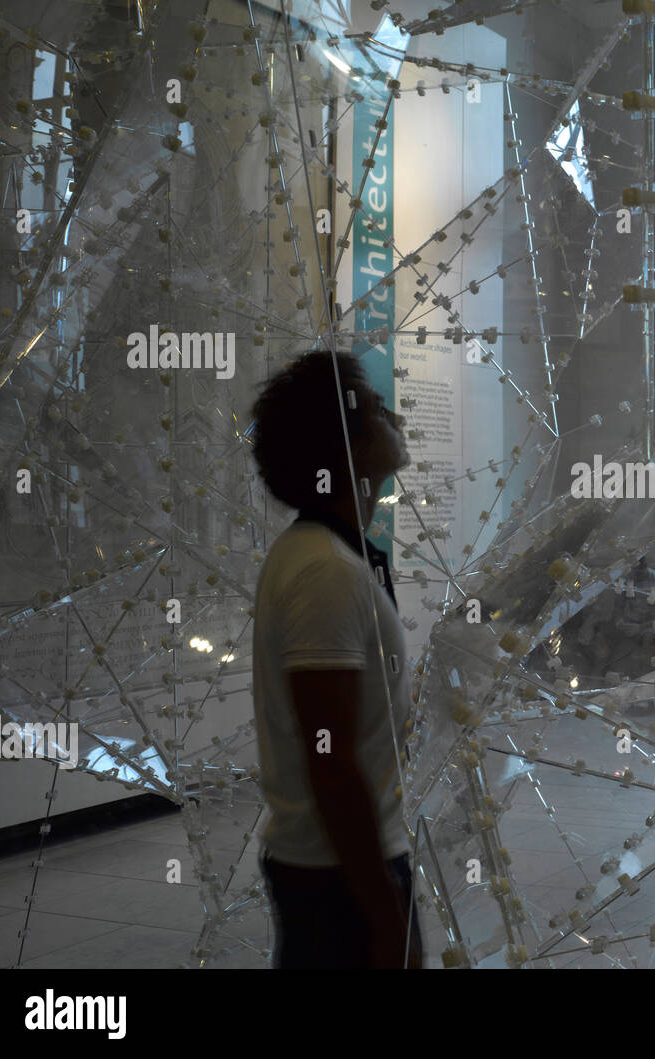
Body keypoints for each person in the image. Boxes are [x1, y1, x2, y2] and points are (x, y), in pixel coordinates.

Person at [248, 349, 422, 968]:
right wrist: (381, 906)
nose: (394, 416)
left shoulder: (333, 557)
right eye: (377, 408)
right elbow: (330, 756)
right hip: (339, 878)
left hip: (339, 866)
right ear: (344, 446)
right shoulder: (325, 571)